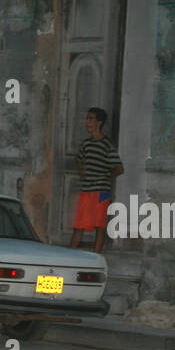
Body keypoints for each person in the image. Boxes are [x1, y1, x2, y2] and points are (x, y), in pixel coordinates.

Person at [69, 107, 123, 254]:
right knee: (79, 225)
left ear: (99, 122)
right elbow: (79, 159)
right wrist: (82, 173)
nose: (87, 122)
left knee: (100, 225)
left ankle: (96, 255)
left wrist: (104, 174)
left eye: (91, 119)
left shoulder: (107, 144)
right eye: (87, 119)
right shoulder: (86, 144)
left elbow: (119, 168)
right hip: (86, 190)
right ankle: (70, 254)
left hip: (102, 191)